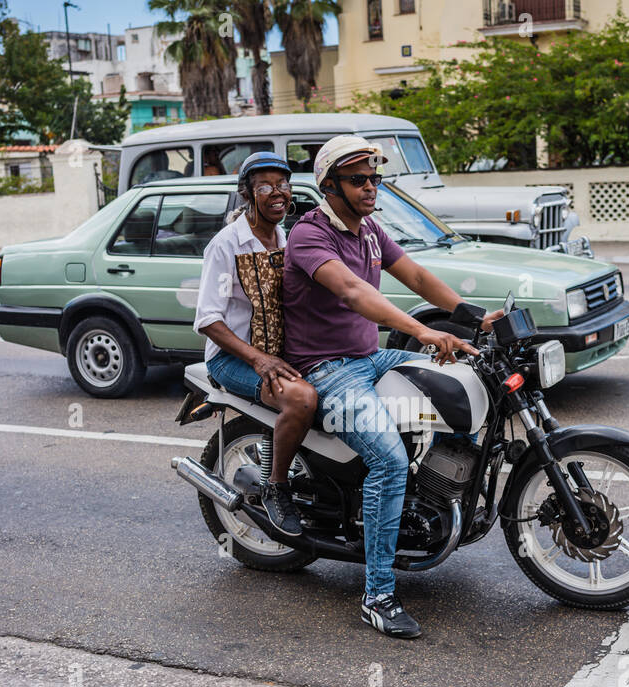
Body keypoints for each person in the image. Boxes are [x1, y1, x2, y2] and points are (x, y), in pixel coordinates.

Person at [283, 135, 501, 639]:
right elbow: (353, 291)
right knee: (388, 460)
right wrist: (424, 331)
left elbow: (419, 275)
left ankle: (431, 504)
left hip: (370, 357)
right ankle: (377, 594)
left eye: (374, 179)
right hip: (327, 369)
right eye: (358, 180)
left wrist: (475, 321)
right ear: (330, 186)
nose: (370, 188)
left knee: (463, 382)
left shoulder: (370, 232)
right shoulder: (310, 236)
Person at [194, 152, 317, 537]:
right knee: (300, 399)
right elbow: (208, 320)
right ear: (247, 193)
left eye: (283, 185)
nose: (277, 193)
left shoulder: (286, 237)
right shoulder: (226, 244)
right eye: (265, 186)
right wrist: (260, 360)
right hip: (234, 360)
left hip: (281, 351)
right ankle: (276, 488)